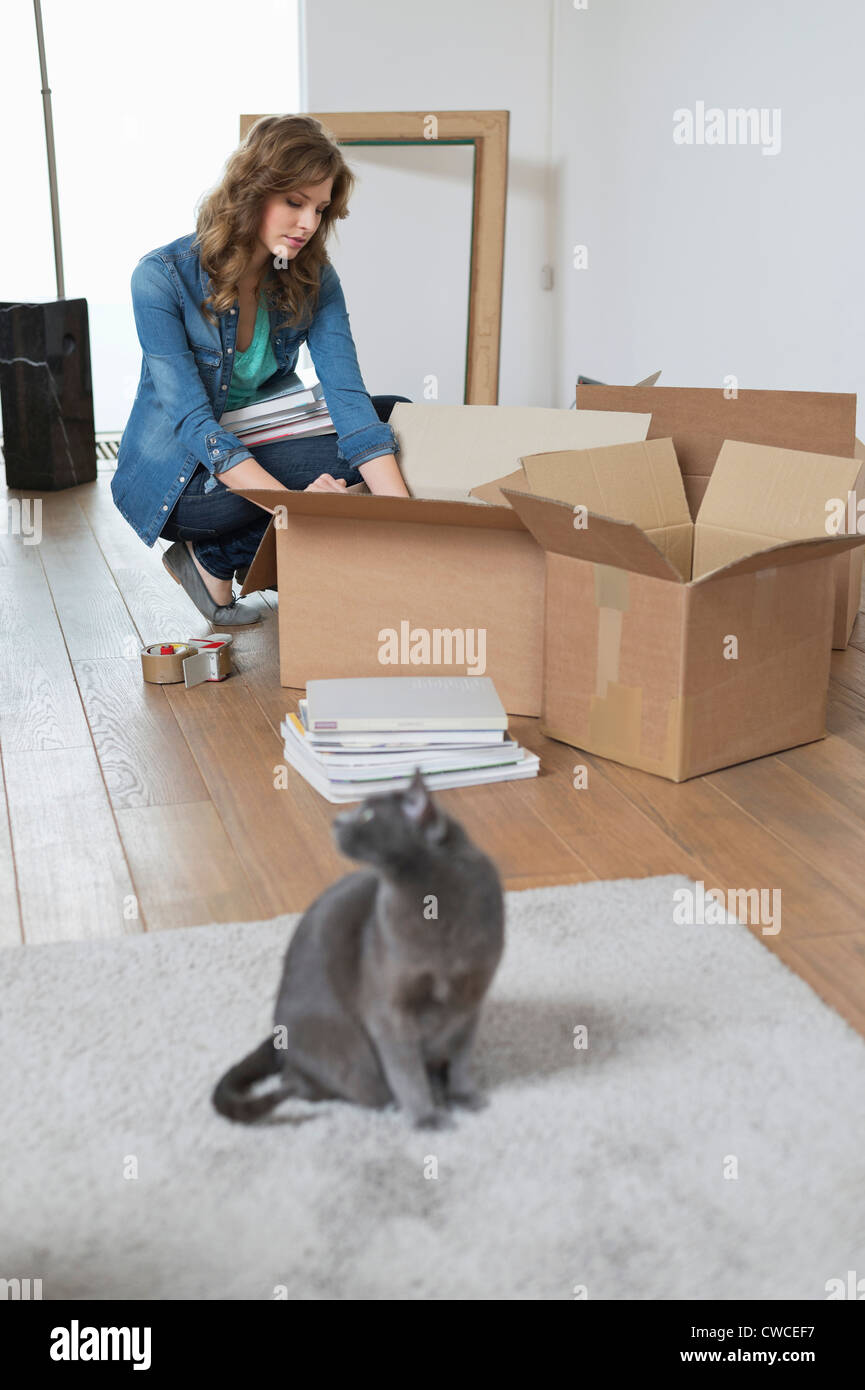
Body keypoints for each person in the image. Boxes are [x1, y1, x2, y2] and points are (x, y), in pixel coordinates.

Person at [112, 113, 411, 627]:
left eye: (319, 209)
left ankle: (216, 558)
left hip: (266, 436)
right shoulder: (161, 279)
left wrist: (412, 527)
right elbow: (193, 425)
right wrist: (300, 512)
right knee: (344, 470)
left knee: (400, 420)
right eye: (294, 202)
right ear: (251, 191)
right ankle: (215, 550)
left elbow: (347, 395)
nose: (308, 224)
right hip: (185, 477)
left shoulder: (314, 276)